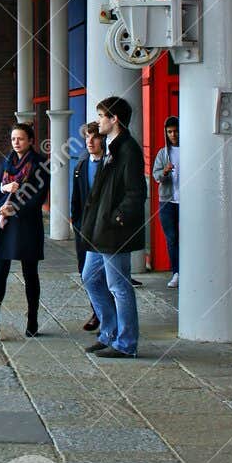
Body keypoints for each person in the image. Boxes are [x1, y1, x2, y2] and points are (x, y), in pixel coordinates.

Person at [79, 95, 146, 360]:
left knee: (119, 286)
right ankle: (109, 333)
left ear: (114, 119)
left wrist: (115, 218)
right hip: (100, 230)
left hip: (114, 232)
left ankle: (126, 343)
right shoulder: (112, 147)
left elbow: (136, 192)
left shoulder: (128, 149)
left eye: (101, 116)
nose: (98, 122)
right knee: (90, 278)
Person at [0, 122, 50, 339]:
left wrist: (15, 208)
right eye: (13, 139)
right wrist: (5, 188)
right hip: (4, 223)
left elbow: (39, 197)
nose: (16, 143)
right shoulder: (6, 161)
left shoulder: (40, 163)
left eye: (20, 139)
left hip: (27, 224)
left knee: (30, 273)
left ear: (30, 141)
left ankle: (32, 320)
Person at [70, 122, 106, 331]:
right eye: (87, 138)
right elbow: (76, 198)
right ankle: (97, 311)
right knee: (85, 270)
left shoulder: (109, 165)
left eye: (95, 137)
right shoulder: (81, 166)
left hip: (105, 228)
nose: (90, 142)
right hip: (84, 228)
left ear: (103, 140)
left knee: (106, 273)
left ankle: (107, 314)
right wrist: (76, 223)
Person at [152, 115, 180, 288]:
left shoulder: (189, 150)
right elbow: (156, 176)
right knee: (172, 238)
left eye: (176, 131)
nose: (173, 135)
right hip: (167, 201)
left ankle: (189, 271)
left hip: (187, 201)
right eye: (170, 132)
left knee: (190, 237)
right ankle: (176, 272)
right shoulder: (163, 153)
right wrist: (164, 171)